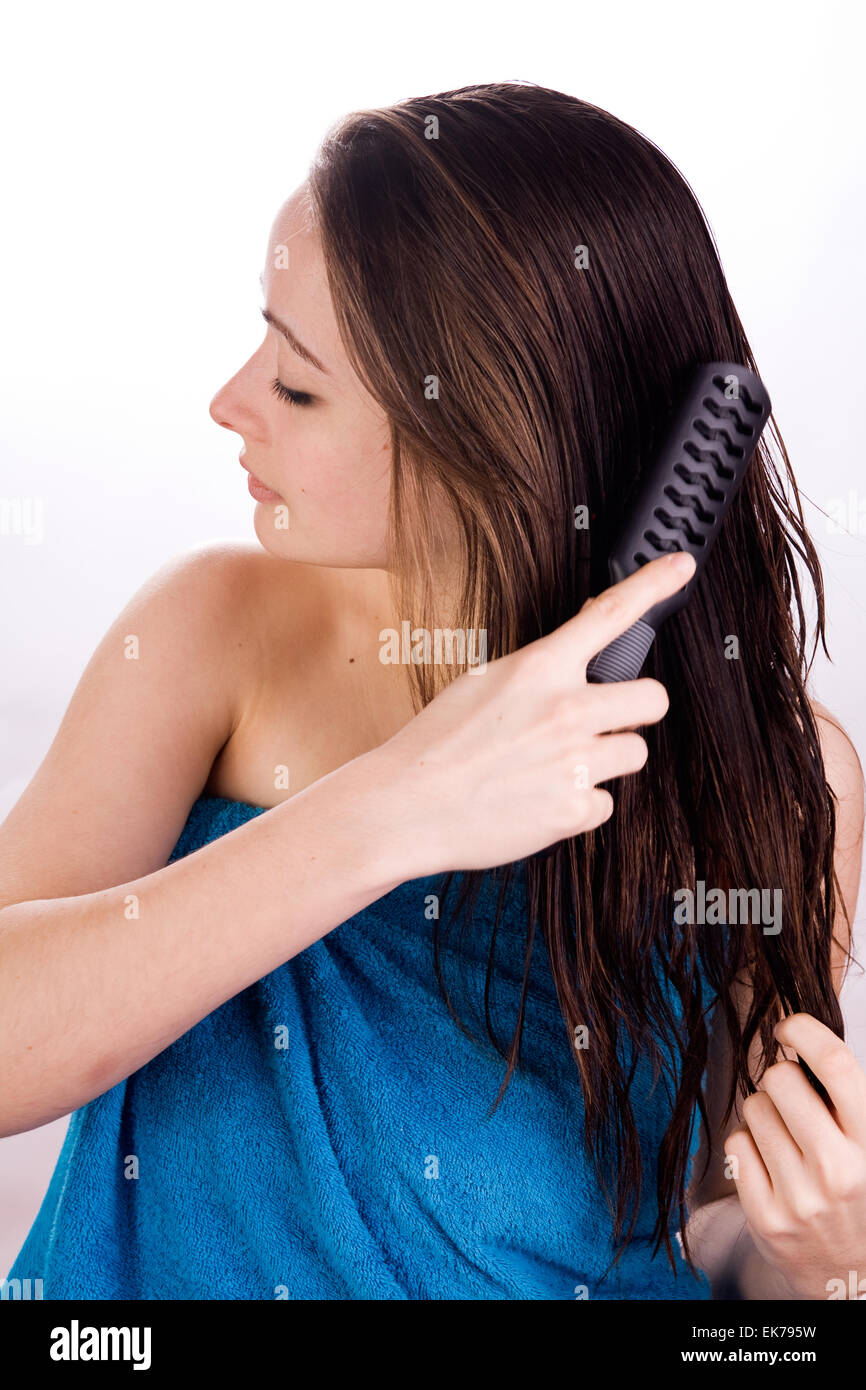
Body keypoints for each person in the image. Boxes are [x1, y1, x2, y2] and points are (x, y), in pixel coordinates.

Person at [2, 82, 864, 1302]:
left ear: (495, 443)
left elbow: (707, 1230)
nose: (230, 402)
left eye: (299, 385)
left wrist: (812, 1257)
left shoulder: (785, 781)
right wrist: (396, 807)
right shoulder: (216, 633)